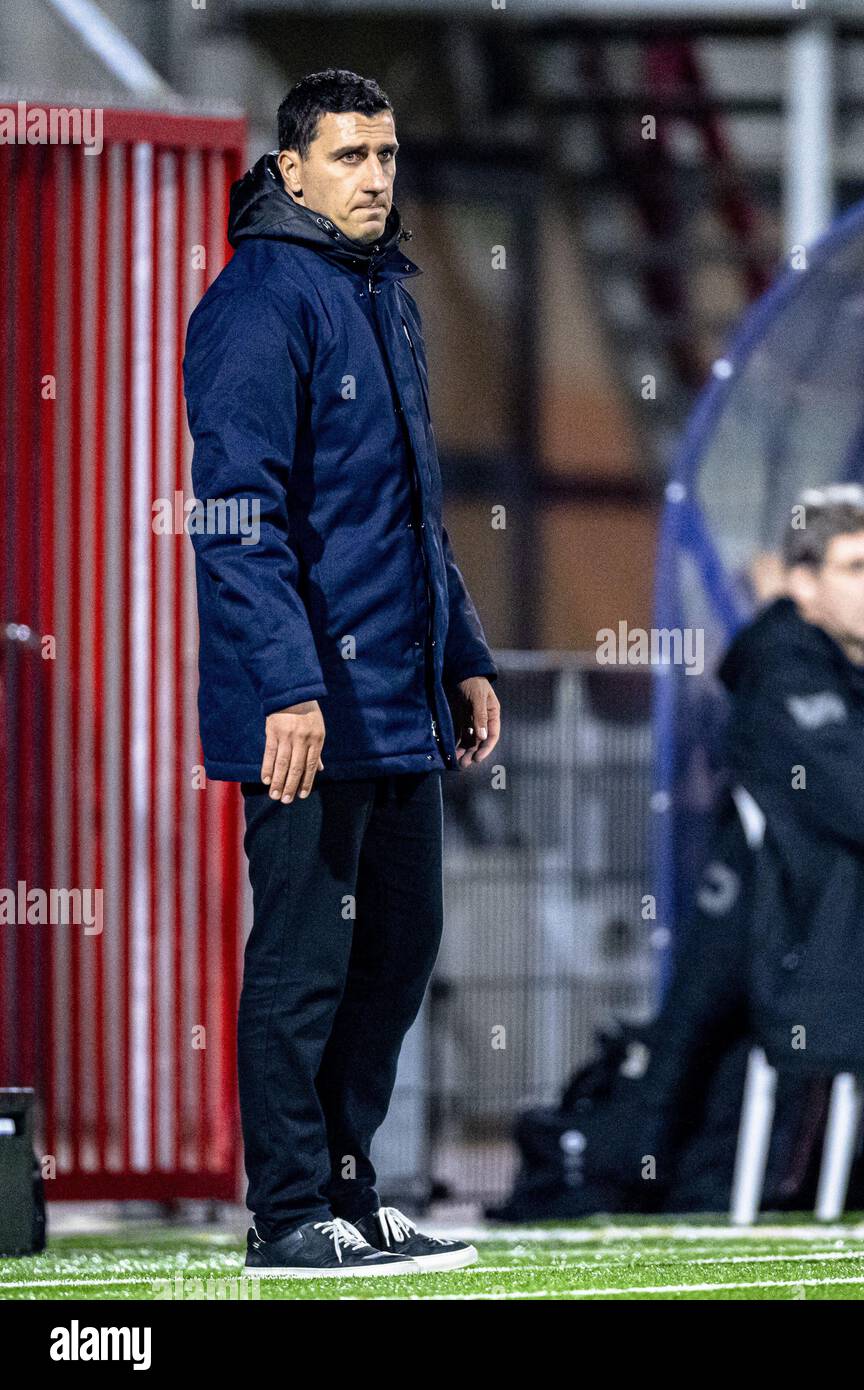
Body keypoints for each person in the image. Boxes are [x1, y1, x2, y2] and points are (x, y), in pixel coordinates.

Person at [184, 70, 499, 1276]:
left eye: (387, 154)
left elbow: (415, 515)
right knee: (306, 961)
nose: (375, 176)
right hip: (307, 709)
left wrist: (463, 656)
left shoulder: (384, 293)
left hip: (398, 703)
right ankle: (284, 1214)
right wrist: (288, 685)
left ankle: (352, 1190)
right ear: (292, 168)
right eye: (351, 156)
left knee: (397, 945)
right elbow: (235, 517)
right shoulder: (261, 300)